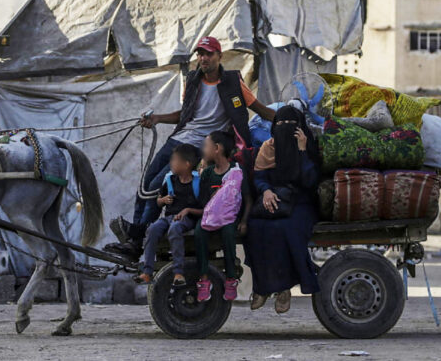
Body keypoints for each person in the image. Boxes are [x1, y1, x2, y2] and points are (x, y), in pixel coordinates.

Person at [106, 36, 275, 257]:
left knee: (158, 186)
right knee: (145, 185)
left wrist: (286, 119)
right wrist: (157, 118)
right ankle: (134, 241)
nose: (203, 58)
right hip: (179, 139)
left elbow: (260, 109)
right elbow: (184, 115)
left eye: (208, 53)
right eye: (200, 54)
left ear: (219, 56)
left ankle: (136, 239)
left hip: (199, 147)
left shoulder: (234, 82)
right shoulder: (193, 80)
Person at [243, 105, 321, 314]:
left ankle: (284, 289)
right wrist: (266, 191)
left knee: (285, 229)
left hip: (301, 201)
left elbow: (310, 181)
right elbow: (259, 178)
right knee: (255, 227)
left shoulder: (308, 146)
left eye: (290, 124)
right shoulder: (268, 148)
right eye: (280, 124)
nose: (285, 128)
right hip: (274, 198)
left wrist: (302, 150)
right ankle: (262, 287)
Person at [133, 144, 204, 285]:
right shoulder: (170, 180)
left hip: (188, 219)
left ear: (186, 164)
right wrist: (162, 200)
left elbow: (205, 209)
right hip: (169, 217)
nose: (171, 163)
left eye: (175, 160)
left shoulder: (198, 183)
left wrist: (188, 210)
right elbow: (159, 202)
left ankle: (178, 273)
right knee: (152, 229)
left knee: (175, 229)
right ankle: (147, 272)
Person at [194, 131, 244, 302]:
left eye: (206, 146)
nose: (204, 150)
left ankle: (231, 278)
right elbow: (202, 201)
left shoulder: (236, 171)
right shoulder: (208, 173)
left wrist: (244, 221)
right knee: (199, 232)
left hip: (230, 216)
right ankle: (204, 278)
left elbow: (247, 197)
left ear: (217, 148)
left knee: (229, 233)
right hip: (210, 216)